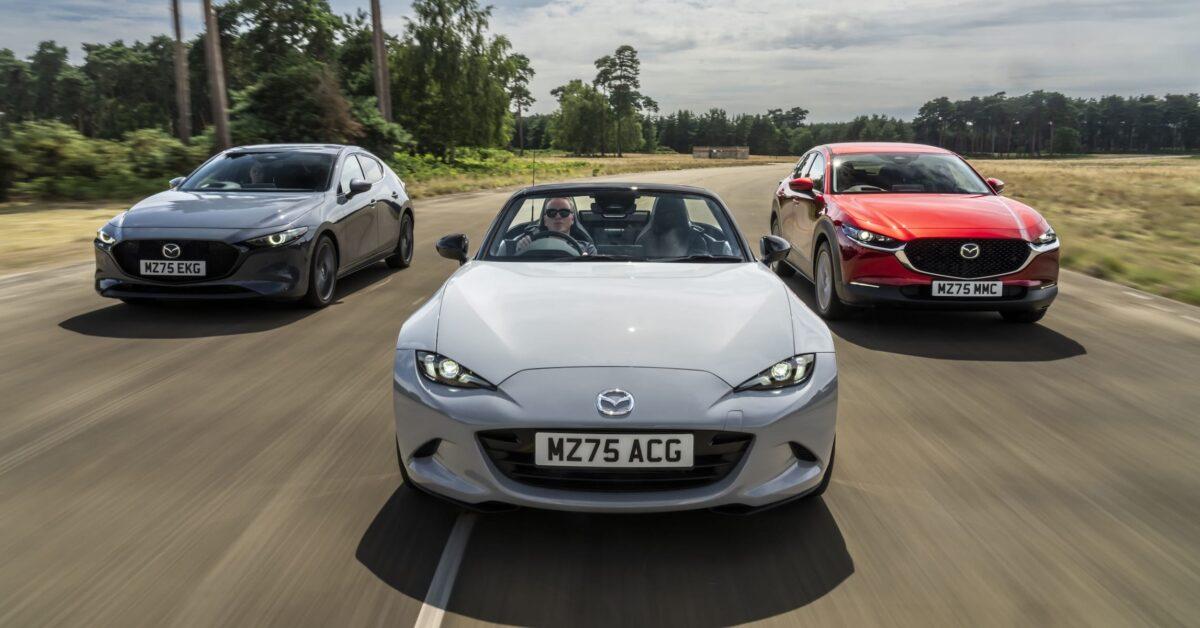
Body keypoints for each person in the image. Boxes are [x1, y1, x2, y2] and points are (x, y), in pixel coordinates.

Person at [509, 197, 597, 255]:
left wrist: (585, 262)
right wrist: (520, 250)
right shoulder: (531, 245)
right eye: (552, 213)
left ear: (572, 219)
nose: (558, 216)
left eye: (564, 212)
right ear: (545, 220)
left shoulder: (587, 249)